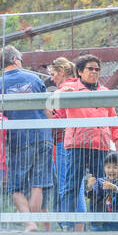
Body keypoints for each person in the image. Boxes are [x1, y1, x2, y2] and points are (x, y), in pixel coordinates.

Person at [60, 54, 118, 230]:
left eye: (97, 69)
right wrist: (61, 94)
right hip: (77, 144)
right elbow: (56, 100)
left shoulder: (104, 92)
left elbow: (112, 116)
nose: (94, 72)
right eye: (90, 68)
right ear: (80, 71)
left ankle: (98, 223)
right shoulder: (71, 87)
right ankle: (69, 223)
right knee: (71, 184)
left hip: (100, 144)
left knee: (101, 185)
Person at [0, 45, 50, 230]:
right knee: (38, 184)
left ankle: (30, 223)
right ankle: (35, 223)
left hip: (18, 138)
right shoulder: (34, 78)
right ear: (15, 60)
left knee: (16, 188)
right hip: (42, 135)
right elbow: (48, 110)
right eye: (21, 59)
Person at [46, 57, 75, 215]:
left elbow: (57, 122)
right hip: (78, 141)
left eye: (53, 74)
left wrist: (46, 112)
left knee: (65, 185)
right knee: (76, 186)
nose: (51, 78)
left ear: (62, 72)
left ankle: (67, 224)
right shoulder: (79, 86)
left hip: (64, 142)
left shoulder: (59, 92)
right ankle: (78, 225)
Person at [84, 151, 118, 231]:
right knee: (95, 199)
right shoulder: (100, 181)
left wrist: (115, 188)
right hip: (104, 219)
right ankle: (96, 224)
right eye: (108, 167)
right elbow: (93, 196)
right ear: (104, 168)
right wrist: (89, 187)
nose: (111, 170)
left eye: (115, 167)